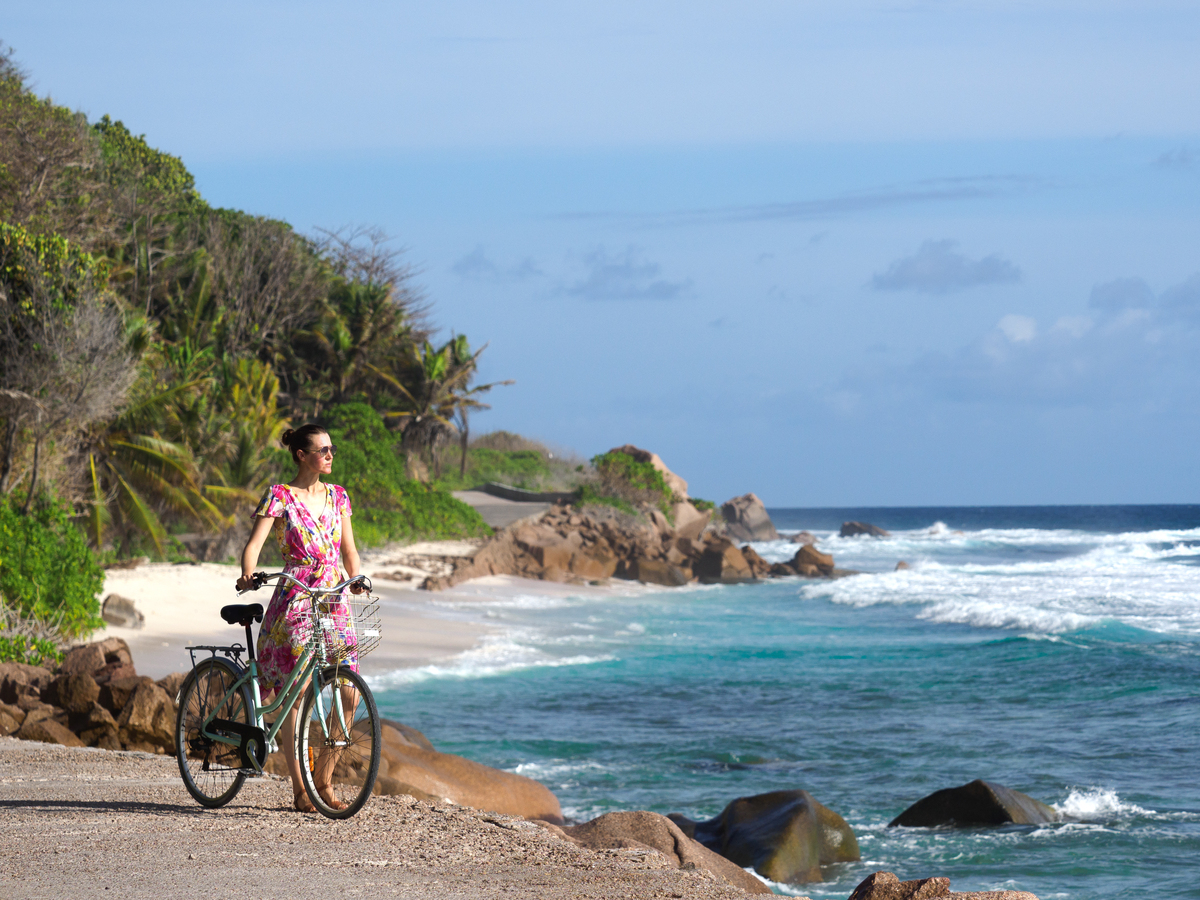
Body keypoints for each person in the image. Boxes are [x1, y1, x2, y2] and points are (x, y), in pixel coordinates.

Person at [237, 423, 365, 812]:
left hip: (333, 597)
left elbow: (349, 552)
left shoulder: (338, 496)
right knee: (298, 692)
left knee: (350, 690)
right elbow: (253, 546)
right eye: (322, 450)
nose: (330, 455)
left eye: (332, 449)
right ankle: (300, 788)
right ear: (301, 455)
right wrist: (247, 573)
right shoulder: (280, 495)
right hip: (295, 595)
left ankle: (323, 779)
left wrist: (356, 578)